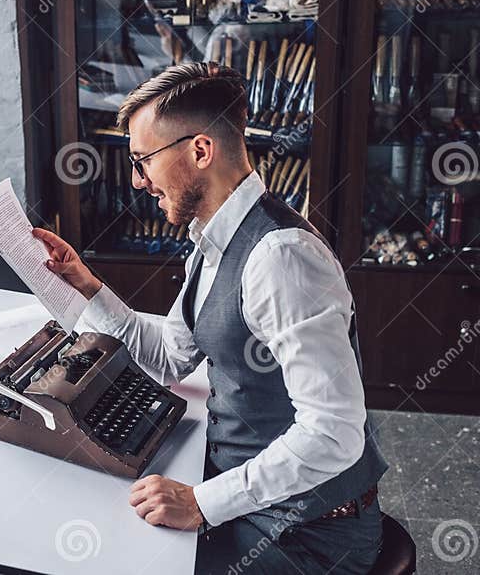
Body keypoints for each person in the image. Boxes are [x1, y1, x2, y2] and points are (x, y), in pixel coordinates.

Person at [33, 62, 387, 574]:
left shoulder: (282, 258)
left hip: (310, 535)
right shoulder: (213, 240)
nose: (138, 181)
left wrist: (202, 503)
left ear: (200, 150)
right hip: (259, 505)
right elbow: (169, 357)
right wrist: (88, 287)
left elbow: (334, 432)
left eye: (143, 160)